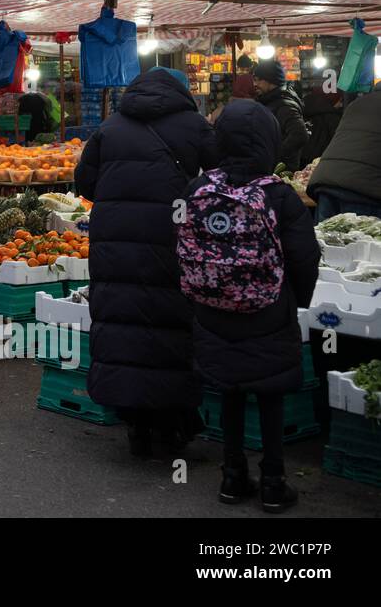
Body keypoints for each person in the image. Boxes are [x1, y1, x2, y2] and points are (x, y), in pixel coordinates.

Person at [181, 100, 320, 512]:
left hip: (211, 308)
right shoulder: (278, 195)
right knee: (271, 393)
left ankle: (232, 475)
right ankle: (274, 482)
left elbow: (183, 247)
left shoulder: (197, 189)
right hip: (268, 310)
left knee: (230, 391)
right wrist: (296, 298)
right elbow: (304, 256)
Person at [74, 66, 220, 457]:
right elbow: (221, 179)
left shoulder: (110, 126)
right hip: (173, 238)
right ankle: (173, 424)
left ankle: (135, 423)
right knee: (171, 323)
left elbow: (84, 183)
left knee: (123, 321)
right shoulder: (196, 126)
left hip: (115, 243)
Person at [307, 90, 381, 220]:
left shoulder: (359, 102)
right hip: (364, 191)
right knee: (363, 239)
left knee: (325, 238)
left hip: (327, 184)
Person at [251, 59, 310, 171]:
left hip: (281, 171)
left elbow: (300, 135)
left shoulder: (284, 106)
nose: (255, 84)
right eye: (254, 80)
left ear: (271, 80)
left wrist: (275, 156)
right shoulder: (270, 101)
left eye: (258, 80)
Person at [300, 86, 342, 164]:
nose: (340, 104)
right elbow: (338, 143)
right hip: (321, 162)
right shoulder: (333, 118)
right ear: (332, 100)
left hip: (300, 158)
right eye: (339, 101)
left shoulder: (301, 110)